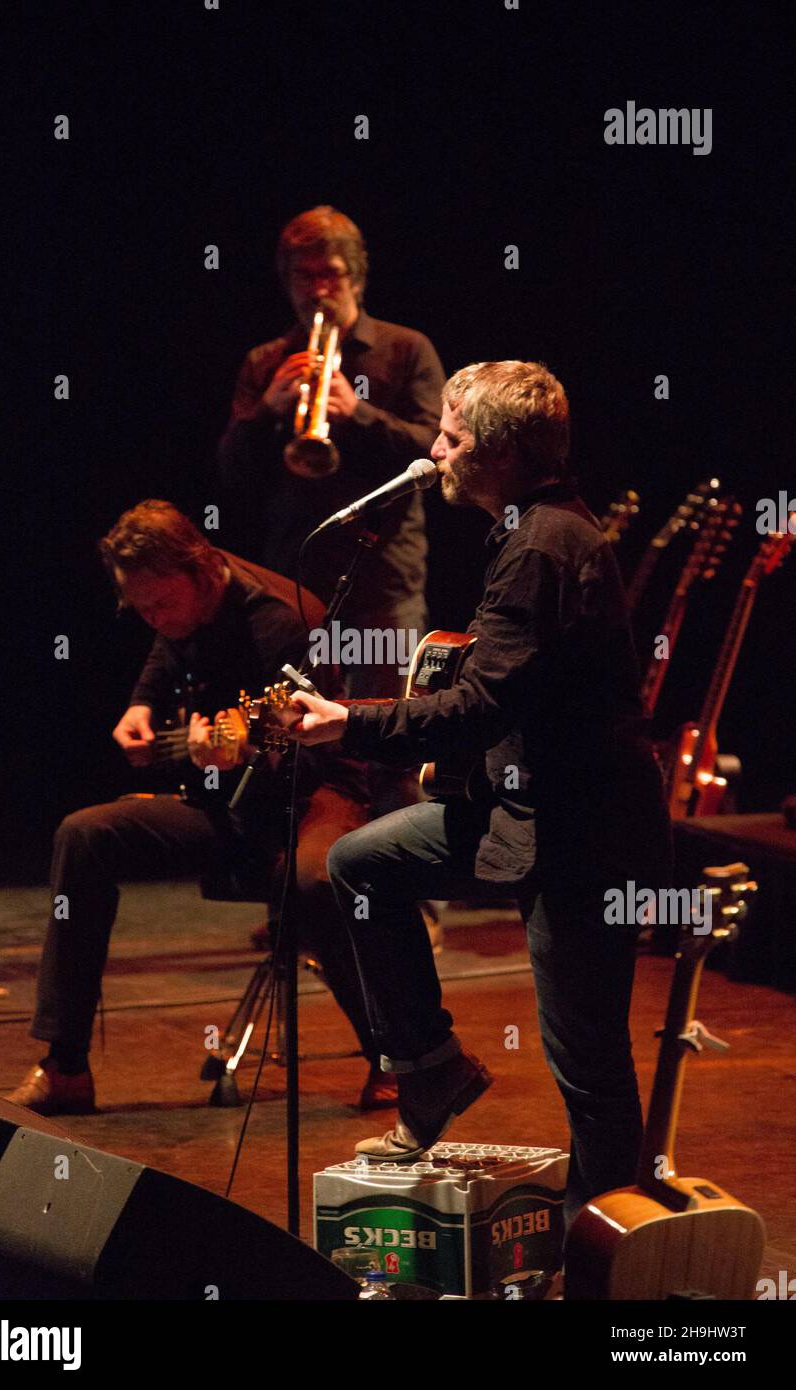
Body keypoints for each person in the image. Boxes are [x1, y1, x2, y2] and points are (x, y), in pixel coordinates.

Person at [285, 361, 674, 1231]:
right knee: (360, 861)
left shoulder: (542, 544)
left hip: (582, 835)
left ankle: (606, 1259)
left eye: (452, 439)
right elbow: (512, 688)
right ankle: (429, 1066)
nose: (436, 452)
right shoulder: (527, 529)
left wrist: (349, 723)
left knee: (588, 1064)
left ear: (498, 451)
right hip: (521, 812)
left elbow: (484, 704)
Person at [6, 500, 397, 1115]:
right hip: (230, 802)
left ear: (204, 572)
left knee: (318, 876)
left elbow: (316, 746)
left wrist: (245, 752)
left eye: (159, 603)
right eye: (138, 608)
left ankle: (396, 1059)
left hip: (314, 793)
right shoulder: (177, 609)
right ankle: (66, 1067)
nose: (150, 618)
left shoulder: (285, 622)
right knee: (84, 836)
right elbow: (172, 644)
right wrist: (142, 702)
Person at [216, 205, 445, 711]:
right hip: (294, 578)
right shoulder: (266, 361)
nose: (319, 289)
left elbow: (438, 453)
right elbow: (230, 474)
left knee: (387, 736)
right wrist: (265, 413)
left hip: (383, 582)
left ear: (356, 278)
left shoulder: (407, 349)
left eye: (332, 274)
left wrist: (358, 413)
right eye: (305, 276)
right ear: (287, 282)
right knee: (294, 741)